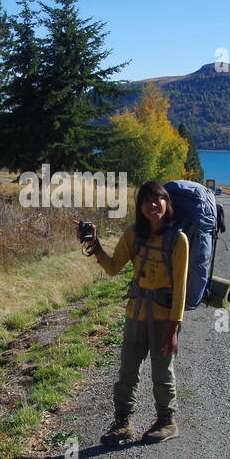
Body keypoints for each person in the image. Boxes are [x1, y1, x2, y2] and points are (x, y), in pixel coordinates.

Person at [76, 181, 188, 445]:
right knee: (127, 371)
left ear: (166, 203)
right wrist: (96, 246)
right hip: (135, 313)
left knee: (162, 373)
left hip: (164, 319)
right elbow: (114, 268)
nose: (152, 205)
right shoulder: (133, 234)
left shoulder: (178, 239)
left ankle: (166, 421)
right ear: (139, 207)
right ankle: (122, 423)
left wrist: (174, 329)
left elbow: (181, 289)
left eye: (157, 199)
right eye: (146, 201)